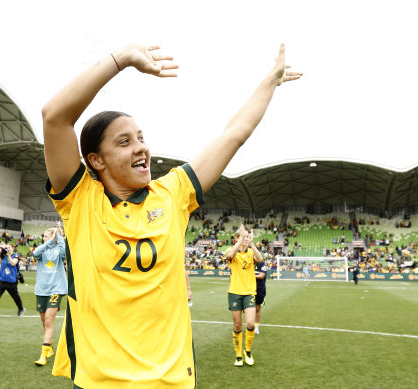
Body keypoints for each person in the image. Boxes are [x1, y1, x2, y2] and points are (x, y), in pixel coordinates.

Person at [42, 43, 300, 387]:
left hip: (172, 381)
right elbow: (55, 116)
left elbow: (233, 134)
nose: (141, 147)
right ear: (96, 160)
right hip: (99, 382)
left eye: (141, 137)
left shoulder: (173, 193)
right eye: (124, 142)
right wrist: (121, 60)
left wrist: (270, 82)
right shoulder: (80, 202)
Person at [225, 225, 263, 367]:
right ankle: (238, 355)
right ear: (236, 238)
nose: (246, 239)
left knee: (251, 323)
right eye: (243, 236)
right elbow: (229, 256)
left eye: (248, 237)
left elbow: (260, 259)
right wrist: (240, 240)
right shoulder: (231, 251)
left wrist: (251, 243)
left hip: (249, 293)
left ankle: (247, 351)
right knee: (237, 325)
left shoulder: (251, 252)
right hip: (235, 293)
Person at [33, 222, 67, 366]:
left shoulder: (59, 251)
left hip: (56, 289)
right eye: (45, 236)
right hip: (41, 290)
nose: (45, 238)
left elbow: (64, 251)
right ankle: (50, 346)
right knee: (44, 321)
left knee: (48, 320)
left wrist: (57, 235)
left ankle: (44, 354)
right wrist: (48, 242)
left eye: (47, 236)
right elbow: (35, 253)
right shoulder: (42, 251)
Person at [0, 244, 26, 319]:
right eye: (7, 248)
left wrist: (8, 255)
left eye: (10, 247)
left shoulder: (15, 256)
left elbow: (13, 263)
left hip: (11, 281)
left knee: (15, 297)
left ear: (12, 249)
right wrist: (2, 246)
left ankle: (21, 309)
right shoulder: (3, 254)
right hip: (1, 280)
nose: (8, 249)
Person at [254, 257, 268, 335]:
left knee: (257, 309)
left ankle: (256, 326)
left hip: (259, 289)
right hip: (249, 288)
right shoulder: (249, 263)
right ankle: (251, 325)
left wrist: (249, 275)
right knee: (249, 309)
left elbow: (261, 276)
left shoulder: (262, 264)